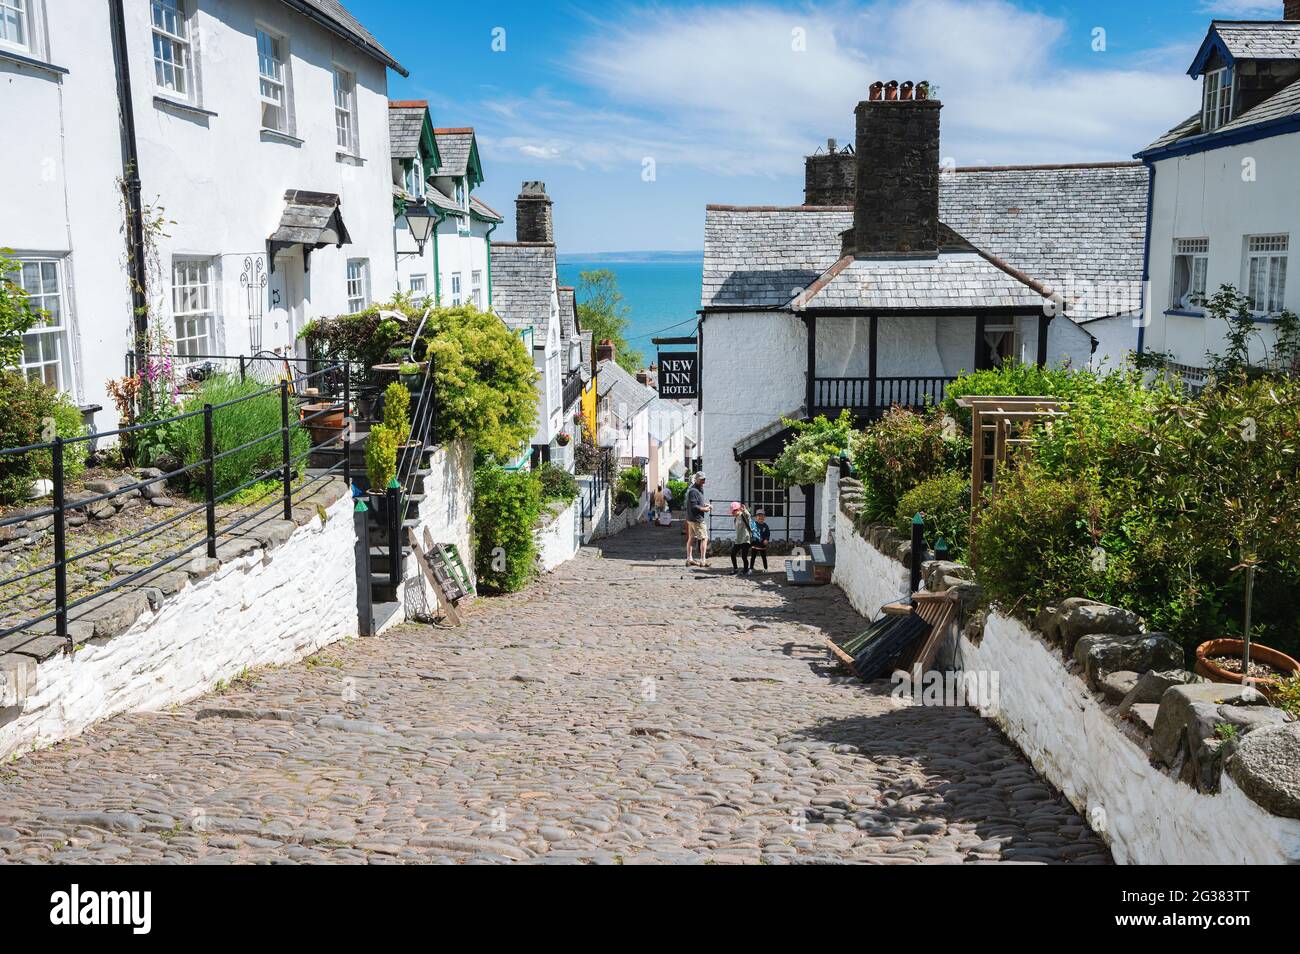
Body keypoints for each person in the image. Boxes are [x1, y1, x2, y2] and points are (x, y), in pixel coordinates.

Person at [685, 472, 711, 567]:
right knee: (704, 538)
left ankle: (689, 559)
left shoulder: (698, 489)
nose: (703, 481)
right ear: (696, 479)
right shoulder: (694, 491)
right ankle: (703, 561)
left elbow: (697, 503)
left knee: (691, 538)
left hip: (691, 518)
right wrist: (705, 509)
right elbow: (694, 506)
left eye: (704, 479)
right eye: (701, 479)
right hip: (697, 519)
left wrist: (705, 505)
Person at [729, 501, 752, 575]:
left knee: (744, 556)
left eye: (734, 511)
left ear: (738, 509)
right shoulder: (735, 518)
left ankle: (745, 570)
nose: (732, 513)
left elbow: (748, 516)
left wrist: (745, 510)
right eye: (732, 511)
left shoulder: (743, 515)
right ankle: (735, 569)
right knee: (733, 554)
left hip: (745, 539)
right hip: (738, 540)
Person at [748, 508, 771, 572]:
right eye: (759, 516)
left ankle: (766, 568)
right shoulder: (753, 525)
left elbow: (768, 534)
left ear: (764, 517)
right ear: (756, 517)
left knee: (764, 557)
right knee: (753, 557)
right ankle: (751, 569)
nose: (760, 518)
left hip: (762, 545)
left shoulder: (765, 526)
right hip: (755, 544)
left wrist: (766, 539)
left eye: (762, 517)